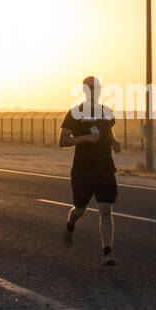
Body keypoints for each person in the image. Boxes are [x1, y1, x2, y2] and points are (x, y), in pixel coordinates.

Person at [59, 76, 121, 266]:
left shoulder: (106, 112)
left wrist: (114, 143)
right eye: (91, 87)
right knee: (80, 210)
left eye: (98, 87)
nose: (95, 90)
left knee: (105, 209)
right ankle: (71, 223)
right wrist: (86, 137)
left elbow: (109, 134)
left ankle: (107, 253)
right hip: (83, 169)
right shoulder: (75, 113)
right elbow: (63, 141)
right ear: (84, 90)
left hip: (104, 168)